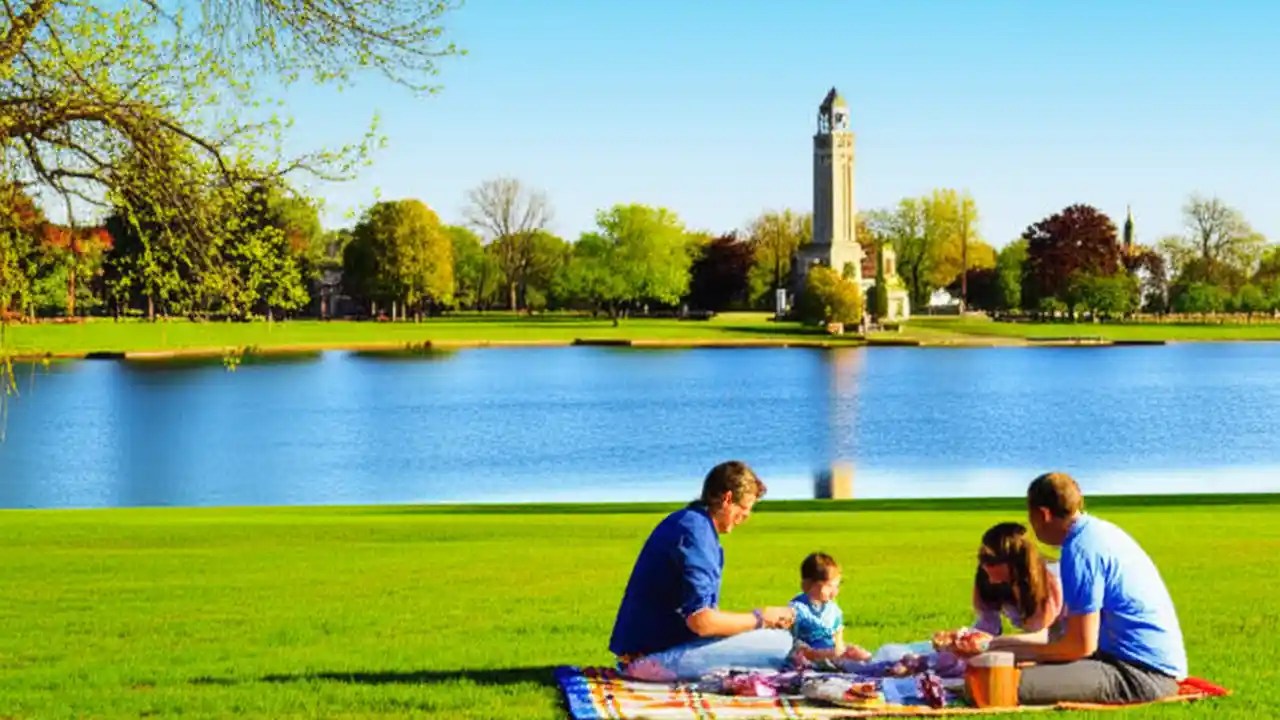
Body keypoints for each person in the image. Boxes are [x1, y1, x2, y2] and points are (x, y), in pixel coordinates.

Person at [993, 472, 1188, 705]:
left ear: (1043, 514)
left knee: (997, 684)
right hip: (1132, 661)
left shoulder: (1080, 551)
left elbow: (1080, 645)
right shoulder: (1098, 532)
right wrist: (999, 646)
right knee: (1008, 668)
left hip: (1139, 673)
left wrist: (1010, 655)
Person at [608, 460, 796, 681]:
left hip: (655, 649)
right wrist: (760, 618)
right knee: (781, 643)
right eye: (744, 509)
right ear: (727, 499)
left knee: (768, 640)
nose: (746, 518)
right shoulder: (696, 533)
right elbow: (702, 622)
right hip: (652, 659)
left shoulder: (692, 524)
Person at [935, 522, 1067, 655]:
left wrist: (993, 643)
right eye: (982, 559)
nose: (985, 566)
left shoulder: (1050, 581)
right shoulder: (985, 576)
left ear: (1016, 563)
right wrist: (961, 638)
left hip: (1070, 638)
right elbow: (988, 625)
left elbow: (1043, 636)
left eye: (992, 561)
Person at [787, 552, 871, 663]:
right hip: (808, 655)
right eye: (829, 586)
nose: (834, 592)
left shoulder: (832, 609)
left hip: (830, 652)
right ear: (808, 585)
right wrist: (821, 654)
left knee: (860, 655)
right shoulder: (798, 609)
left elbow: (837, 637)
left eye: (836, 586)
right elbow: (795, 644)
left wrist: (843, 650)